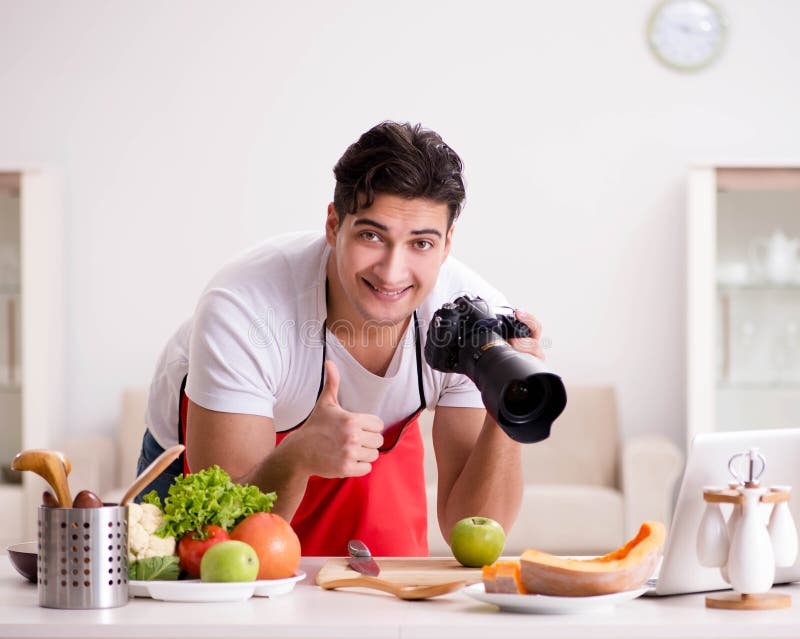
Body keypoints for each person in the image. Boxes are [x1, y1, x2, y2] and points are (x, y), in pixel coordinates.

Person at [137, 121, 546, 556]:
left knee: (379, 614)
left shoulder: (470, 319)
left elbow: (470, 527)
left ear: (447, 246)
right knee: (214, 606)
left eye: (421, 244)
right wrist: (296, 457)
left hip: (359, 445)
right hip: (214, 460)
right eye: (372, 235)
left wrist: (509, 408)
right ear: (333, 226)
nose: (392, 272)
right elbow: (228, 534)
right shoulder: (245, 308)